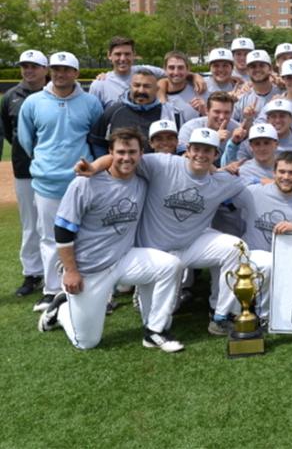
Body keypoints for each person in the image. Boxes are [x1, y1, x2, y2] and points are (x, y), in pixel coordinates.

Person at [77, 127, 249, 336]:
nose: (201, 155)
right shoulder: (163, 163)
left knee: (236, 247)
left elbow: (261, 183)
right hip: (154, 255)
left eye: (208, 150)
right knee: (159, 322)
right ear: (187, 150)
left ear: (215, 155)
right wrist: (94, 167)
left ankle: (221, 315)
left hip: (190, 246)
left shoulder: (223, 181)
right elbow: (121, 156)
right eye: (196, 149)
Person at [36, 128, 183, 352]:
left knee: (171, 265)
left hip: (123, 259)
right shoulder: (85, 183)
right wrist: (71, 271)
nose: (126, 157)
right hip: (90, 268)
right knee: (86, 342)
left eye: (132, 152)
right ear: (110, 153)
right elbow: (63, 230)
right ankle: (62, 309)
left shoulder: (141, 180)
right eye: (121, 152)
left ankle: (155, 330)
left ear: (141, 153)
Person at [17, 51, 103, 312]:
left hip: (81, 180)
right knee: (49, 237)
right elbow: (26, 139)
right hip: (47, 182)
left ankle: (91, 290)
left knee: (86, 236)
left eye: (66, 69)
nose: (60, 73)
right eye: (55, 69)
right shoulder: (33, 102)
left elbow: (97, 140)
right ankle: (52, 289)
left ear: (76, 73)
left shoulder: (90, 103)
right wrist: (45, 163)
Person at [233, 151, 292, 323]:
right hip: (254, 259)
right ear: (273, 173)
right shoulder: (254, 192)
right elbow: (226, 188)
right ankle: (264, 317)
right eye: (281, 172)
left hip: (291, 264)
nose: (286, 177)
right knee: (269, 263)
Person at [1, 50, 48, 297]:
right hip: (24, 169)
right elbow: (10, 134)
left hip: (53, 169)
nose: (28, 70)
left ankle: (57, 270)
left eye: (34, 66)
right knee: (30, 224)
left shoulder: (55, 92)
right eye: (24, 66)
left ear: (45, 69)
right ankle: (32, 273)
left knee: (54, 223)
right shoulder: (11, 97)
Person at [88, 68, 178, 157]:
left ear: (156, 89)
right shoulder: (114, 111)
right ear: (130, 87)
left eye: (147, 86)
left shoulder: (168, 112)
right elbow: (97, 142)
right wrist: (107, 167)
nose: (141, 90)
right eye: (137, 85)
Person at [89, 37, 165, 108]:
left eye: (127, 54)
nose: (123, 58)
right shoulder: (99, 85)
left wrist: (161, 91)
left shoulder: (145, 72)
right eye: (118, 54)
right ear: (109, 55)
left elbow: (172, 76)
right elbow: (94, 116)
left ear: (134, 55)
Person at [177, 92, 241, 156]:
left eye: (226, 112)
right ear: (207, 110)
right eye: (217, 112)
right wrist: (214, 139)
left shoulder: (237, 130)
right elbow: (183, 159)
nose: (222, 117)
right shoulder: (189, 128)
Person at [232, 50, 279, 125]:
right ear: (247, 71)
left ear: (270, 69)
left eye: (261, 65)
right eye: (253, 66)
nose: (257, 69)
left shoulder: (282, 94)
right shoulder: (241, 98)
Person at [161, 51, 207, 123]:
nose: (176, 72)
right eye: (171, 67)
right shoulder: (155, 94)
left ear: (188, 69)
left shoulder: (199, 90)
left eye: (180, 68)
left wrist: (204, 112)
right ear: (165, 69)